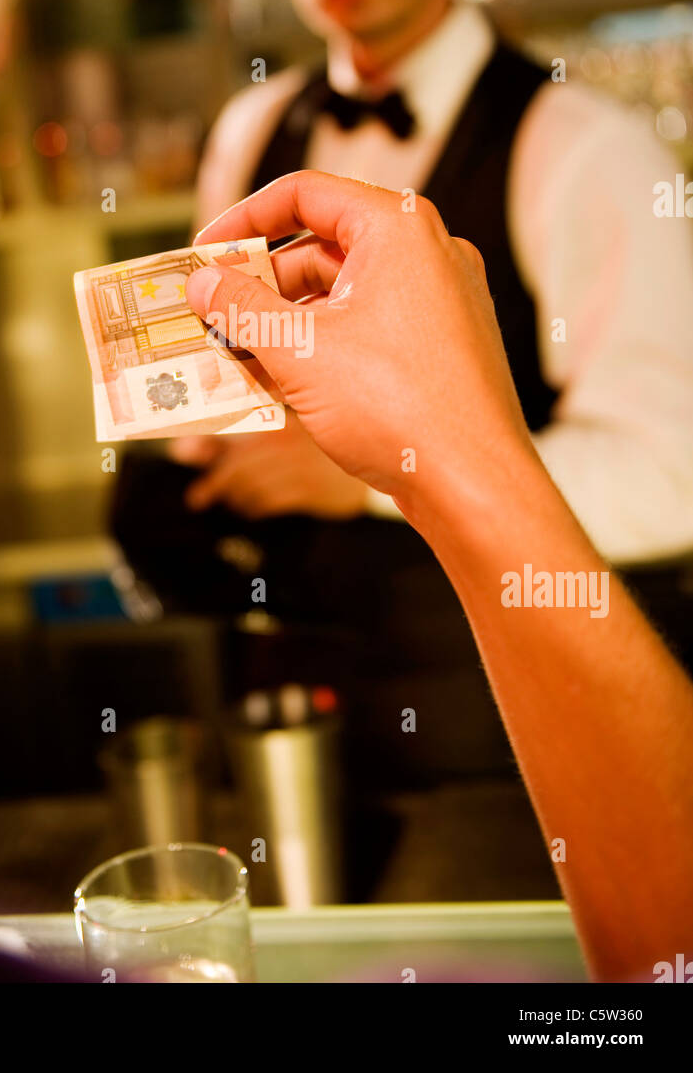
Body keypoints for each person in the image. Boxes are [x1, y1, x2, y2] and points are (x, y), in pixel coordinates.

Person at [184, 169, 693, 984]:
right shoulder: (249, 130)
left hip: (504, 767)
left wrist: (404, 469)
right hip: (310, 740)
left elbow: (674, 476)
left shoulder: (583, 145)